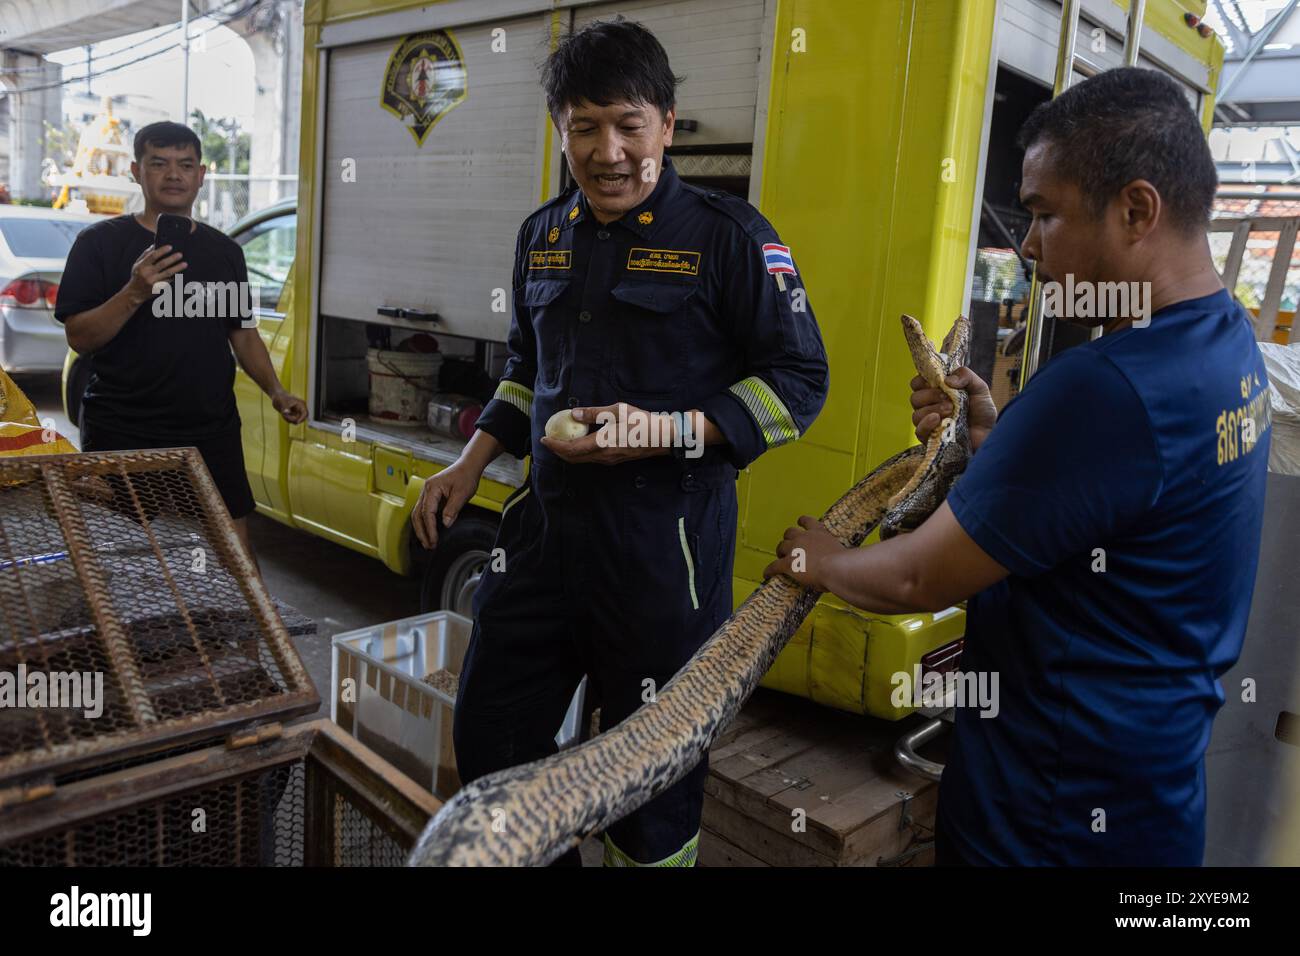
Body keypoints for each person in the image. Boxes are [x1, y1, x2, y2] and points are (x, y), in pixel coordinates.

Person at [766, 67, 1270, 866]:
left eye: (1044, 214)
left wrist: (819, 560)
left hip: (1045, 820)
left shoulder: (1105, 386)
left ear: (1136, 210)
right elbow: (1104, 504)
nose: (1027, 247)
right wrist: (995, 445)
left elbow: (917, 579)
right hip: (1148, 802)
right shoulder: (1227, 344)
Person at [411, 18, 829, 866]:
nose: (609, 152)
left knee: (653, 789)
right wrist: (468, 462)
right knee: (492, 740)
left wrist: (666, 431)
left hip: (663, 557)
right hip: (543, 542)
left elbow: (799, 383)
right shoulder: (542, 235)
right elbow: (527, 372)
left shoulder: (731, 238)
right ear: (560, 131)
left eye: (629, 125)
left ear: (666, 126)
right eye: (585, 128)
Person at [55, 121, 305, 565]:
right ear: (136, 171)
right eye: (159, 163)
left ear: (201, 175)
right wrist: (135, 291)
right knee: (117, 559)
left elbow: (242, 333)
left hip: (210, 428)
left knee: (236, 554)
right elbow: (80, 335)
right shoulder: (99, 244)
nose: (174, 174)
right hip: (124, 427)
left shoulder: (225, 252)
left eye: (186, 165)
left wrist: (276, 391)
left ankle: (245, 617)